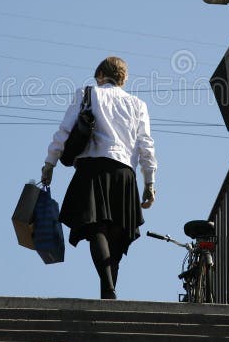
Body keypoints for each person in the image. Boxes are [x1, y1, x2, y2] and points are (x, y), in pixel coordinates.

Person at [41, 56, 157, 300]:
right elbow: (146, 145)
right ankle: (109, 292)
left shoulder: (88, 94)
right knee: (116, 235)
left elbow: (64, 131)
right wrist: (150, 182)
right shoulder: (138, 104)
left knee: (96, 229)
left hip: (93, 169)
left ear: (101, 75)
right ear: (122, 79)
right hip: (125, 173)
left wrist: (50, 163)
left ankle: (108, 290)